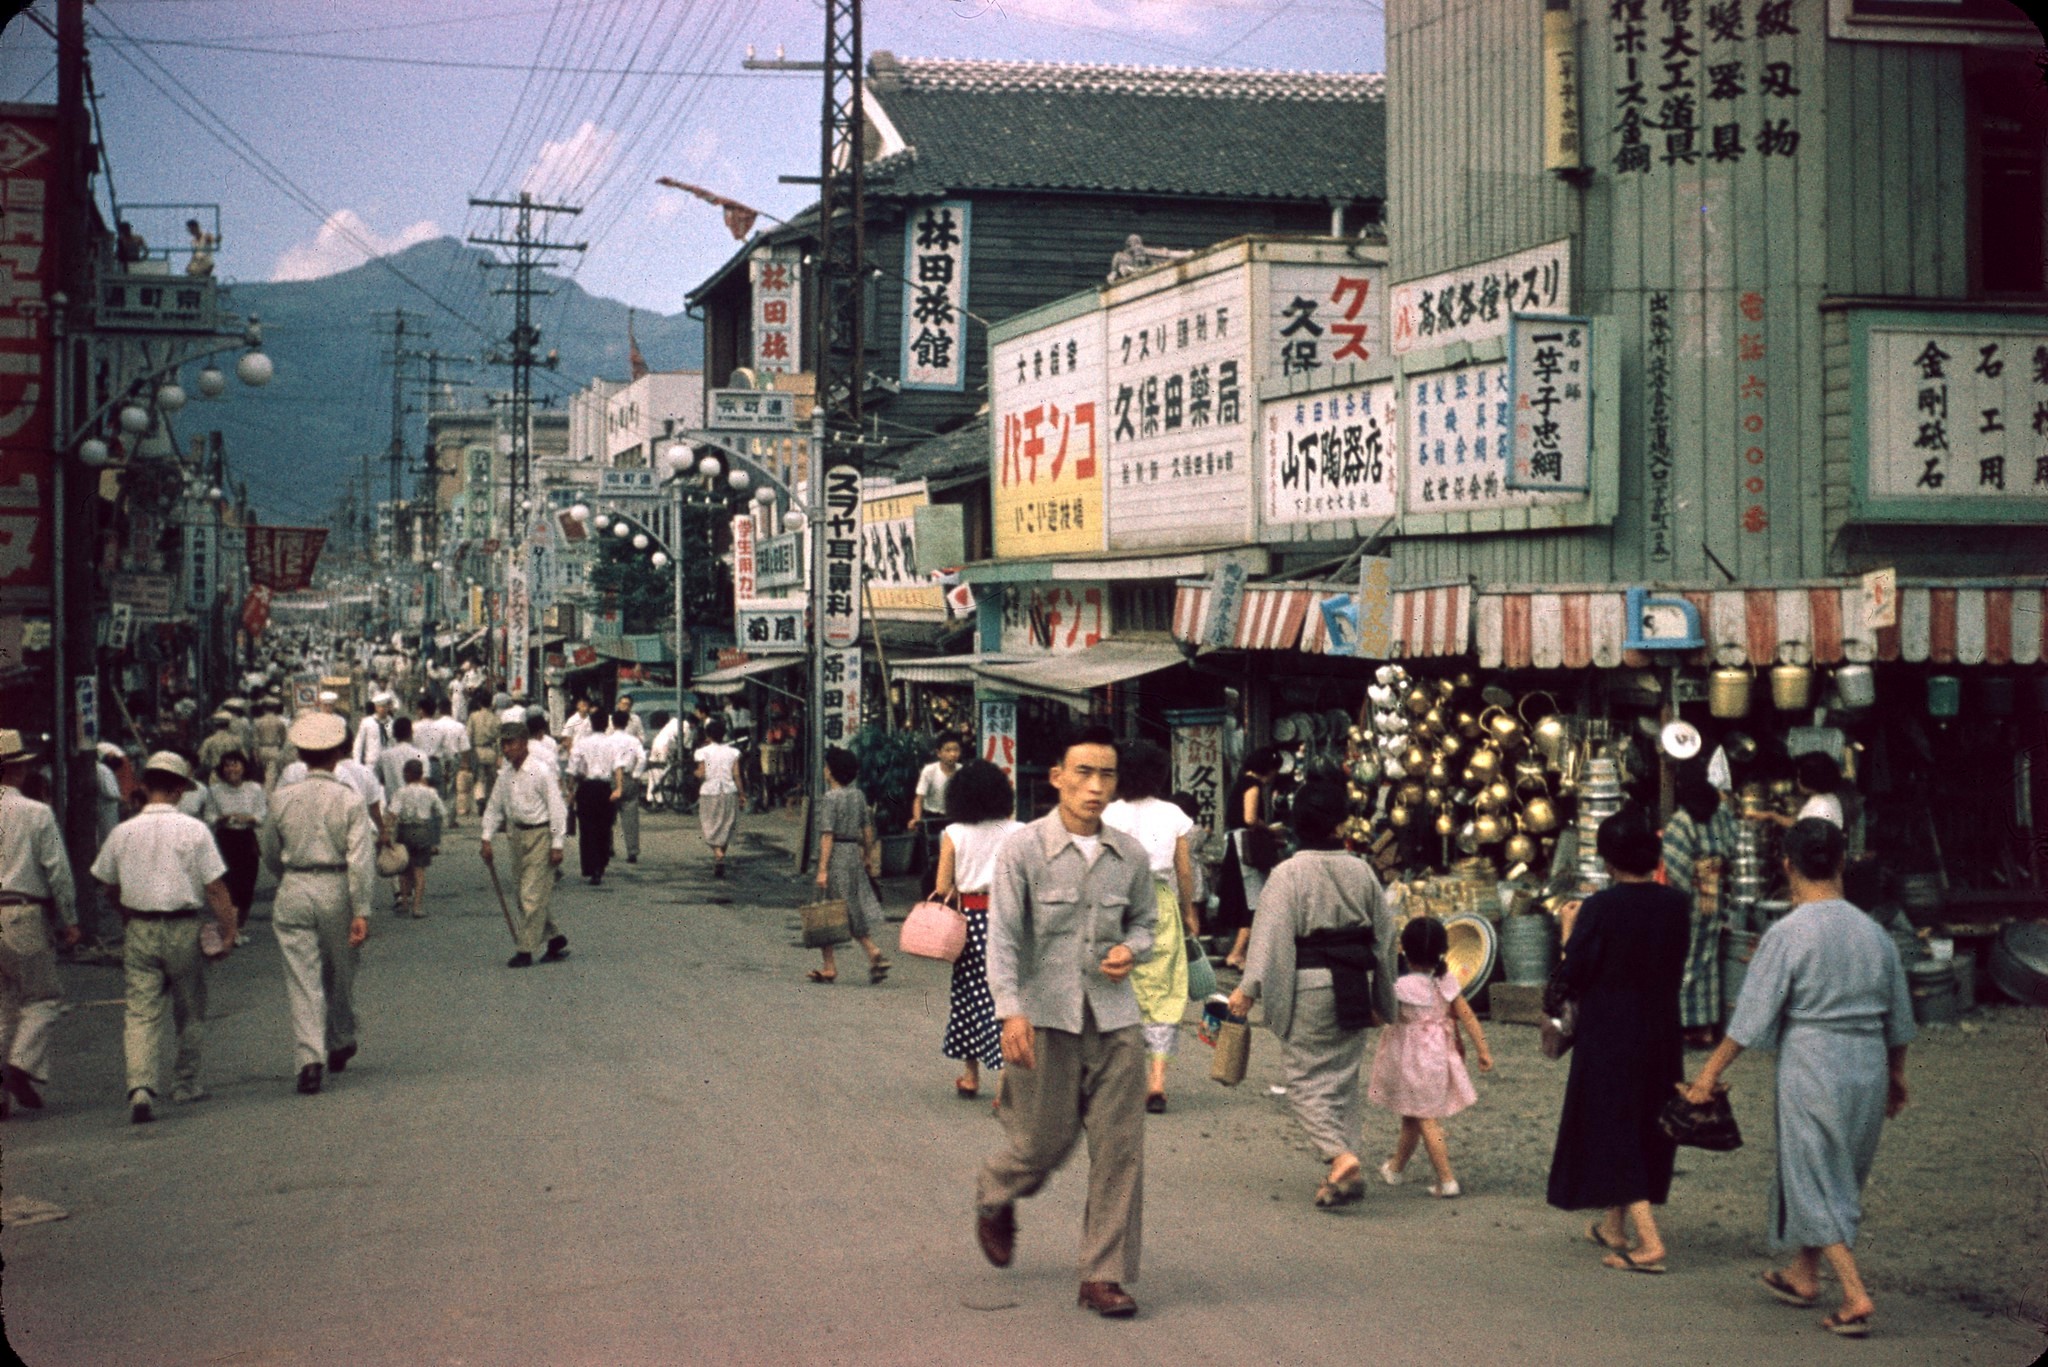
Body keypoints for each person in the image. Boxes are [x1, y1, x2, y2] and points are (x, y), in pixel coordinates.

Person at [1681, 818, 1915, 1338]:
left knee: (1812, 1172)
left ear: (1787, 866)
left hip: (1815, 1060)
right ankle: (1802, 1274)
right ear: (1840, 865)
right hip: (1868, 1063)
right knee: (1836, 1172)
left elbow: (1749, 1019)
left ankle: (1854, 1295)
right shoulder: (1875, 933)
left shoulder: (1787, 933)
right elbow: (1898, 1015)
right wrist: (1896, 1074)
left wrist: (1707, 1076)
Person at [974, 724, 1155, 1318]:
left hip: (1114, 1020)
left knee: (1120, 1149)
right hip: (1045, 1017)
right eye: (1083, 773)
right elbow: (1001, 940)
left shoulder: (1128, 855)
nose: (1095, 787)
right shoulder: (1022, 850)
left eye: (1106, 775)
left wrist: (1134, 949)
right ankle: (997, 1194)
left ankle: (1101, 1276)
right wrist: (1011, 1013)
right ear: (1057, 778)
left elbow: (1147, 924)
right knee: (1041, 1143)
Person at [1226, 775, 1399, 1210]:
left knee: (1305, 1081)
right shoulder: (1362, 870)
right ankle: (1342, 1171)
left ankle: (1341, 1158)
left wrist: (1247, 990)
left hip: (1308, 985)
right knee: (1340, 1081)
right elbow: (1385, 936)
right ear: (1341, 825)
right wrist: (1383, 998)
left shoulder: (1288, 874)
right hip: (1353, 984)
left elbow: (1268, 938)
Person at [1546, 805, 1691, 1273]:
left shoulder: (1601, 907)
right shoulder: (1676, 903)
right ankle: (1615, 1225)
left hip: (1611, 1029)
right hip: (1662, 1026)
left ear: (1608, 860)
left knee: (1613, 1124)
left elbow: (1575, 971)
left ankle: (1649, 1245)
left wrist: (1568, 930)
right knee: (1647, 1119)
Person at [90, 752, 237, 1122]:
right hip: (184, 927)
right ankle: (185, 1083)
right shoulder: (194, 830)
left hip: (139, 927)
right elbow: (216, 889)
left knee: (140, 1012)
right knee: (190, 1010)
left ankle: (140, 1087)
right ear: (177, 789)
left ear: (145, 784)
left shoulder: (122, 832)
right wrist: (228, 931)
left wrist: (127, 914)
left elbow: (107, 884)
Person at [259, 712, 374, 1095]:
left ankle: (310, 1057)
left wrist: (288, 876)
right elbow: (360, 861)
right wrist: (362, 910)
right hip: (337, 886)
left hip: (294, 886)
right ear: (340, 752)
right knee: (341, 972)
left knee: (302, 977)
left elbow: (271, 854)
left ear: (302, 753)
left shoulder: (281, 799)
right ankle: (339, 1037)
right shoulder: (349, 801)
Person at [1101, 740, 1199, 1115]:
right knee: (1163, 989)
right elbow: (1183, 871)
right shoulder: (1174, 814)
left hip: (1118, 903)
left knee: (1122, 986)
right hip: (1159, 903)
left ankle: (1124, 1078)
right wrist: (1188, 909)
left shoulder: (1109, 815)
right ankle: (1157, 1080)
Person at [1369, 916, 1492, 1198]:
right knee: (1412, 1114)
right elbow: (1467, 1015)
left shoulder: (1400, 986)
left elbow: (1380, 1017)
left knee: (1425, 1117)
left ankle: (1447, 1180)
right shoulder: (1444, 981)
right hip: (1438, 1054)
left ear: (1403, 948)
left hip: (1409, 1058)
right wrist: (1483, 1050)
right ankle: (1395, 1168)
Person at [0, 729, 81, 1120]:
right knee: (43, 999)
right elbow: (57, 871)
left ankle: (3, 1091)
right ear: (17, 770)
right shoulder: (35, 813)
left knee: (3, 1007)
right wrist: (70, 919)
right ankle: (19, 1066)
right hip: (22, 912)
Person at [932, 759, 1024, 1101]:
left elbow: (943, 886)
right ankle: (1006, 1077)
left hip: (972, 923)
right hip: (1012, 919)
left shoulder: (954, 833)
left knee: (970, 997)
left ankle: (971, 1076)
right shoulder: (1019, 830)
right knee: (1004, 999)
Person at [1664, 764, 1740, 1048]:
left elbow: (1677, 865)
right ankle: (1705, 1027)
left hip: (1691, 899)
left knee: (1687, 958)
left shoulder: (1681, 821)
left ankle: (1687, 1026)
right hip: (1715, 893)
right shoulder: (1719, 814)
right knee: (1707, 958)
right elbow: (1730, 845)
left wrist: (1693, 881)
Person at [480, 728, 569, 969]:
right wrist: (486, 838)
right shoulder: (505, 774)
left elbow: (557, 808)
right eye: (504, 744)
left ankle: (525, 949)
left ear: (524, 743)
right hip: (516, 835)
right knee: (524, 894)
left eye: (511, 743)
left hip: (541, 835)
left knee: (531, 894)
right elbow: (494, 807)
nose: (507, 749)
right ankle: (555, 938)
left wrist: (557, 844)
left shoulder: (540, 771)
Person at [811, 746, 891, 985]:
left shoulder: (830, 798)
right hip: (853, 854)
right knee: (846, 904)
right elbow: (867, 830)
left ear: (831, 772)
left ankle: (868, 951)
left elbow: (827, 835)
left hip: (835, 855)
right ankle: (831, 964)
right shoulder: (858, 796)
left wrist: (823, 868)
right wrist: (867, 856)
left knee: (828, 907)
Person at [1215, 747, 1284, 969]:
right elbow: (1250, 818)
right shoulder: (1253, 785)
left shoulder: (1239, 783)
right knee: (1255, 901)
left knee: (1248, 901)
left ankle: (1240, 953)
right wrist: (1270, 829)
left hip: (1236, 845)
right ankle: (1237, 953)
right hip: (1247, 848)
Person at [202, 751, 267, 930]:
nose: (232, 769)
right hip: (225, 840)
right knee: (228, 884)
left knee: (246, 885)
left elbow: (262, 814)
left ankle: (240, 926)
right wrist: (220, 818)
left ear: (244, 767)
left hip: (246, 839)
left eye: (236, 764)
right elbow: (209, 816)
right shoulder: (214, 791)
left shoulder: (254, 788)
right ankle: (229, 927)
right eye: (227, 765)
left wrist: (249, 819)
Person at [566, 708, 620, 885]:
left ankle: (591, 866)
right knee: (604, 827)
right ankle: (601, 866)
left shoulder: (582, 743)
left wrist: (571, 791)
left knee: (587, 828)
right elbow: (618, 768)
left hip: (586, 787)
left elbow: (573, 769)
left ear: (591, 724)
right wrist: (618, 788)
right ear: (606, 725)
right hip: (604, 788)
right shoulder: (612, 744)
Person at [389, 759, 447, 919]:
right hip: (423, 830)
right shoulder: (430, 792)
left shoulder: (401, 792)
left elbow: (393, 814)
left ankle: (405, 902)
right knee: (419, 870)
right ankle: (417, 906)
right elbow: (441, 812)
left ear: (406, 775)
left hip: (405, 830)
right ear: (421, 774)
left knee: (403, 869)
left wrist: (386, 833)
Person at [910, 733, 963, 894]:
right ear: (939, 753)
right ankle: (929, 894)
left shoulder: (962, 771)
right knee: (930, 859)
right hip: (932, 817)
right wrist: (917, 820)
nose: (952, 754)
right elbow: (919, 798)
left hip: (954, 818)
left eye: (955, 750)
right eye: (948, 750)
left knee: (955, 858)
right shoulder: (929, 771)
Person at [694, 718, 744, 878]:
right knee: (727, 824)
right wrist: (742, 794)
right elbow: (737, 774)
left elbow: (701, 773)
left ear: (708, 735)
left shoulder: (703, 752)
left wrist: (694, 774)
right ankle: (720, 854)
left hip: (709, 792)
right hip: (729, 791)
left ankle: (717, 852)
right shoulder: (733, 752)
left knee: (709, 824)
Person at [1762, 753, 1847, 832]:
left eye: (1799, 776)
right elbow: (1798, 822)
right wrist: (1771, 815)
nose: (1797, 780)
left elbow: (1799, 828)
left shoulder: (1820, 807)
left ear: (1811, 779)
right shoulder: (1828, 798)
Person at [611, 707, 647, 864]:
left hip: (611, 779)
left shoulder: (608, 740)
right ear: (627, 723)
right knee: (631, 816)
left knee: (608, 816)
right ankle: (632, 851)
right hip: (630, 777)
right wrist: (636, 774)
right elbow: (643, 758)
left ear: (612, 723)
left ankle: (608, 847)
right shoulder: (633, 740)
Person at [376, 716, 427, 812]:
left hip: (393, 807)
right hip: (416, 808)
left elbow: (379, 779)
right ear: (411, 733)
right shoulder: (420, 755)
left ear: (394, 734)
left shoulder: (384, 756)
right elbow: (424, 782)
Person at [467, 690, 505, 811]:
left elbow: (468, 736)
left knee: (478, 778)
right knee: (491, 779)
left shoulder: (473, 717)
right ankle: (489, 803)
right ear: (490, 703)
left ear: (479, 703)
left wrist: (468, 754)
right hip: (491, 751)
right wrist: (500, 756)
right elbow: (500, 739)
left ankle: (480, 798)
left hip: (477, 750)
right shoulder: (496, 719)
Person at [353, 690, 395, 771]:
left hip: (388, 763)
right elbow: (359, 743)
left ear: (388, 707)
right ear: (376, 707)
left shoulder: (392, 723)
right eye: (380, 707)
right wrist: (357, 763)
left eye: (385, 706)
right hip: (372, 763)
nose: (382, 709)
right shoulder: (367, 722)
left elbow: (394, 743)